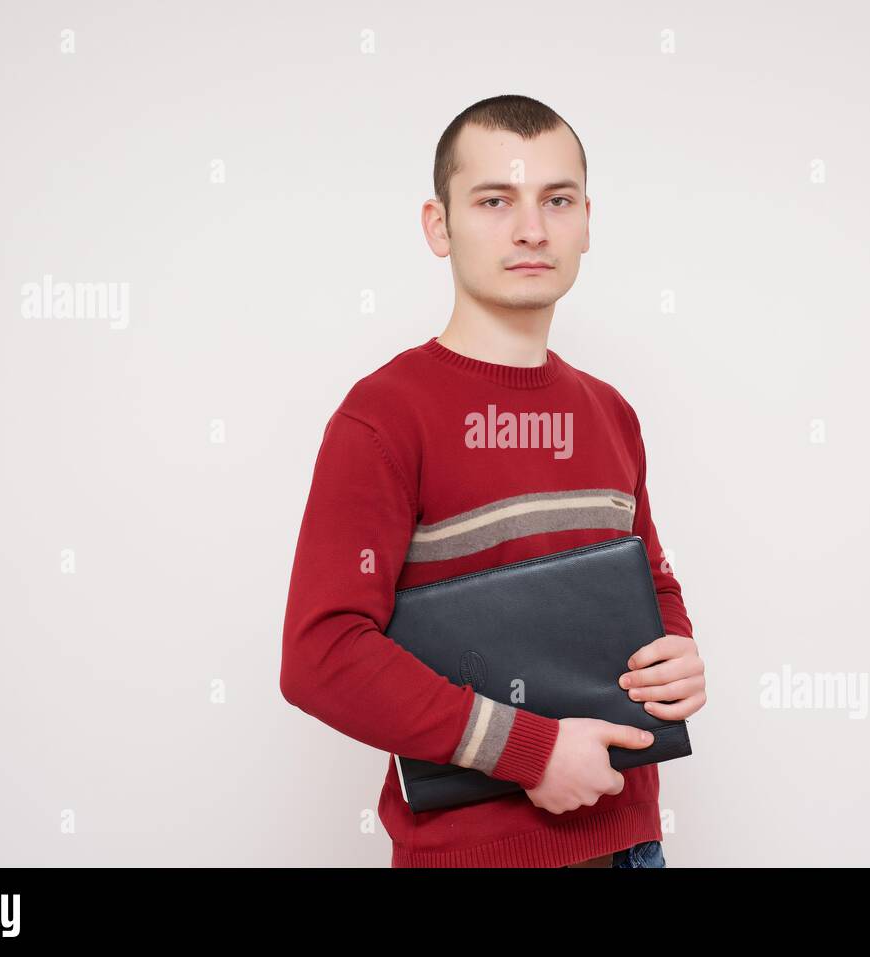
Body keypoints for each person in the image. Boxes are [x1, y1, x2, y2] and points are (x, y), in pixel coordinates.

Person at [279, 94, 706, 868]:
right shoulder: (382, 418)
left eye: (558, 200)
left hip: (634, 845)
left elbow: (650, 581)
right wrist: (531, 752)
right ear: (438, 226)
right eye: (494, 200)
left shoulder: (611, 412)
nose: (532, 229)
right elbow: (323, 653)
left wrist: (677, 651)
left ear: (586, 223)